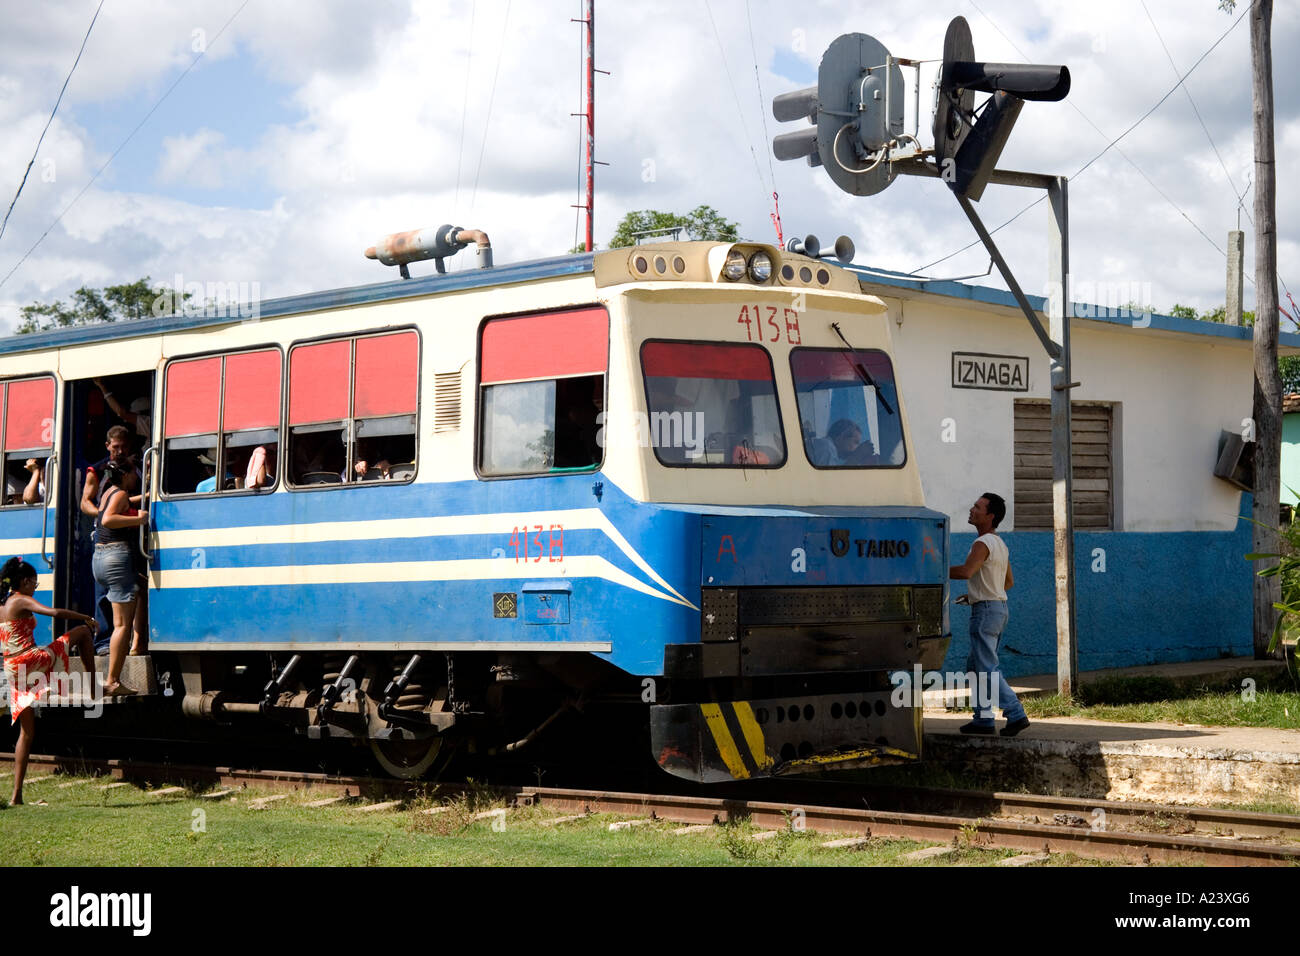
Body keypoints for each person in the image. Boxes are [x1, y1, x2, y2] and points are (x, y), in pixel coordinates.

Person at [1, 557, 97, 806]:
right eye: (35, 583)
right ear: (24, 581)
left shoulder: (3, 604)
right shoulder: (20, 599)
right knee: (83, 633)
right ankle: (95, 689)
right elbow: (53, 612)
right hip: (28, 660)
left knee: (27, 732)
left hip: (12, 666)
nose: (35, 587)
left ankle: (16, 797)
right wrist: (85, 616)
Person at [948, 492, 1029, 737]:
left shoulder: (982, 543)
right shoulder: (999, 544)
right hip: (998, 609)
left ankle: (1015, 713)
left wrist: (934, 568)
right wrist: (977, 595)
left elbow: (965, 572)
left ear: (990, 516)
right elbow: (1008, 582)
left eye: (978, 507)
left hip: (985, 613)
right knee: (976, 666)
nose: (972, 510)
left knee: (986, 667)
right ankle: (983, 718)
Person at [92, 460, 148, 695]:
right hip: (116, 557)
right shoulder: (122, 493)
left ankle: (136, 647)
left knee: (140, 588)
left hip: (100, 559)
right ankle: (112, 681)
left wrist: (144, 498)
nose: (136, 477)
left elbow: (108, 511)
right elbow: (108, 520)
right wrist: (139, 519)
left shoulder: (109, 492)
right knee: (122, 625)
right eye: (134, 473)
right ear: (125, 475)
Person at [93, 379, 151, 446]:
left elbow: (121, 413)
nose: (130, 421)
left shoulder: (149, 424)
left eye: (134, 415)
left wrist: (102, 387)